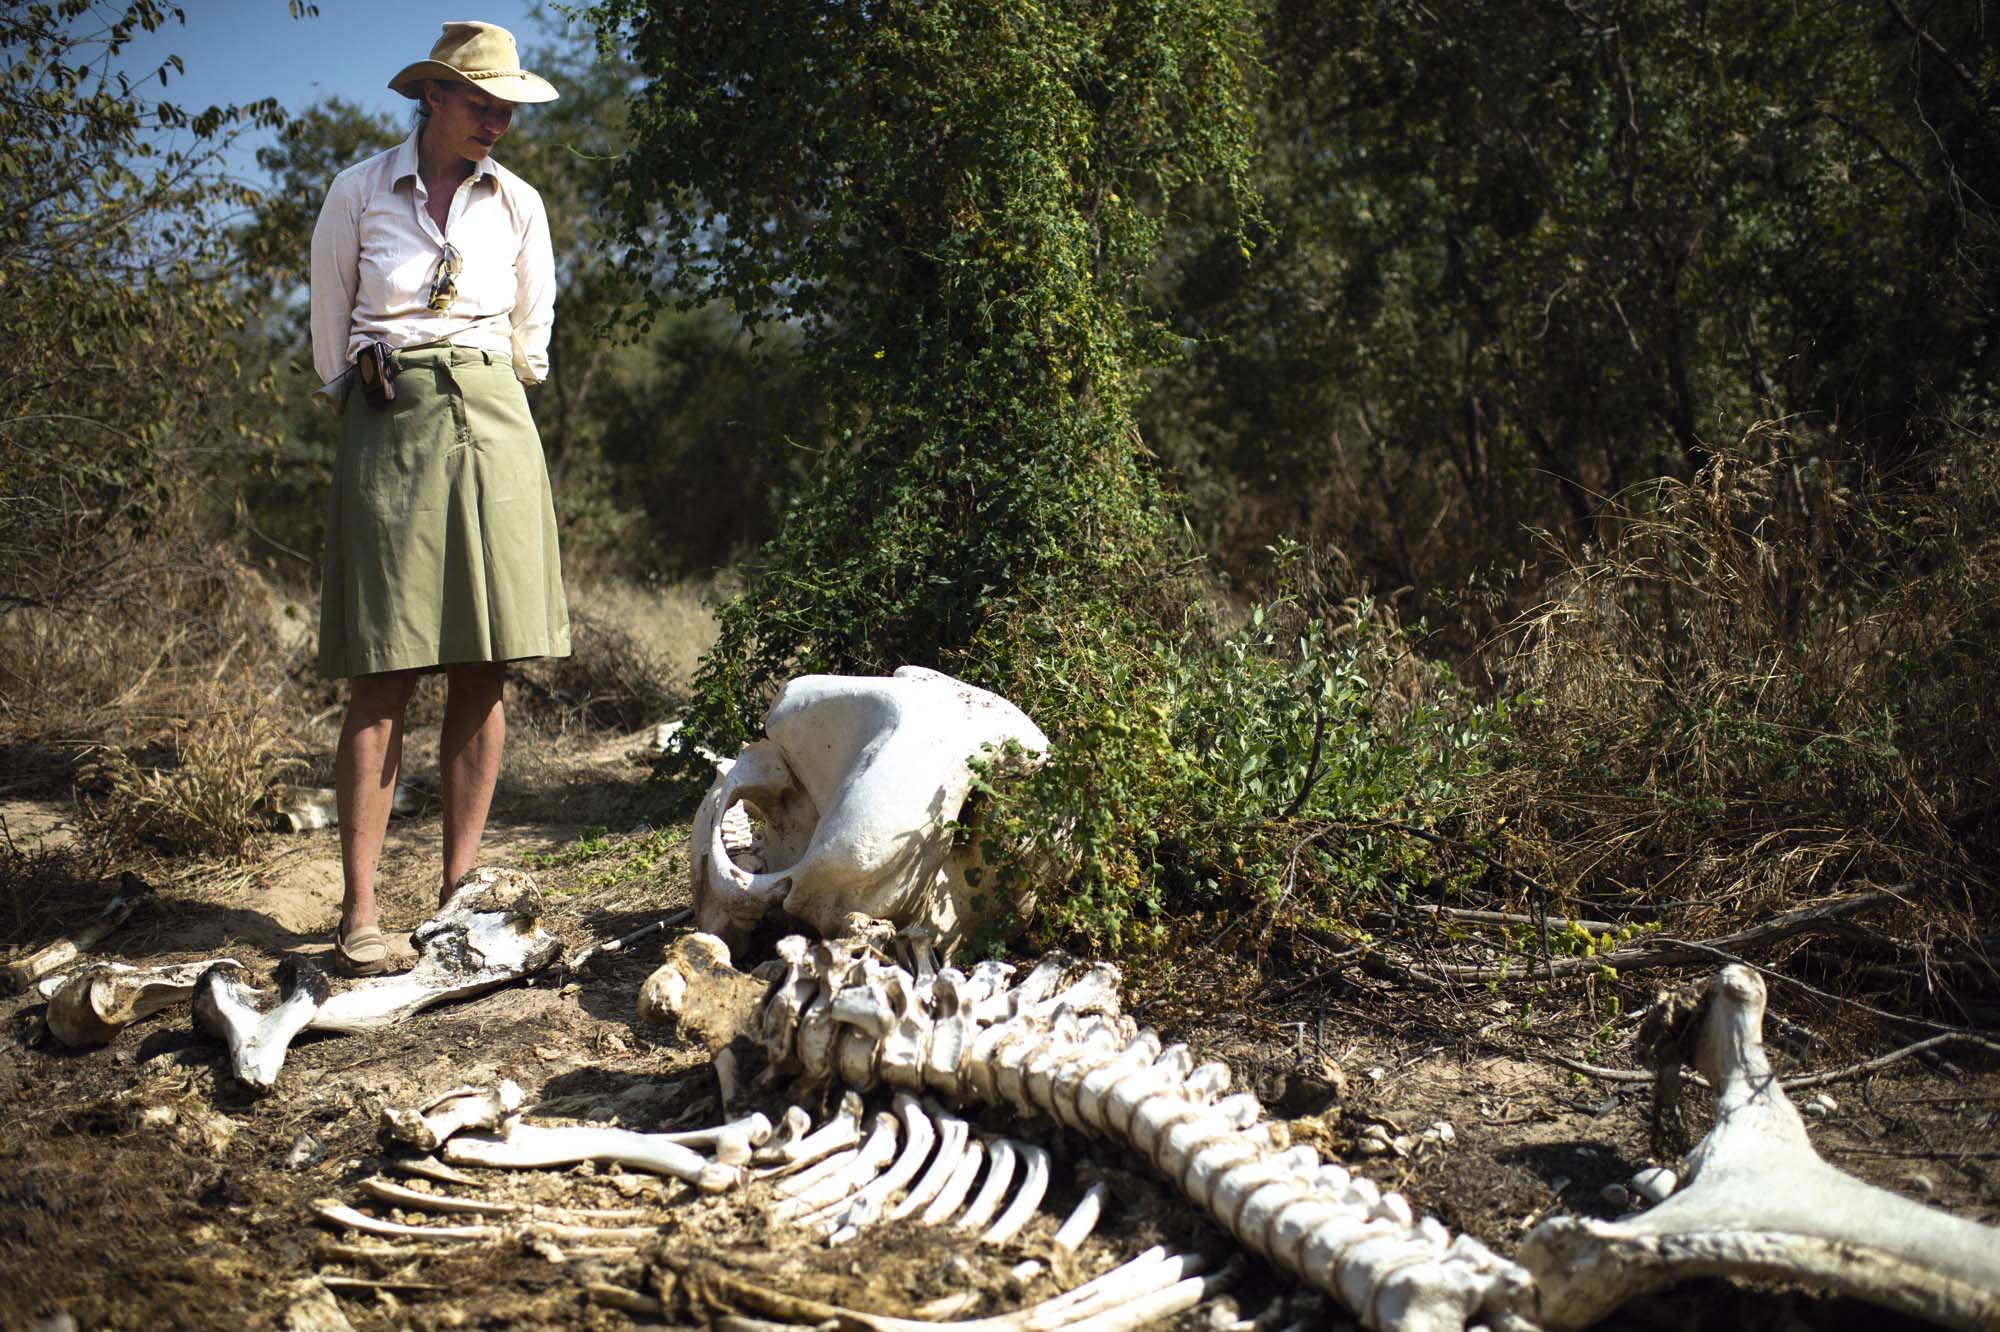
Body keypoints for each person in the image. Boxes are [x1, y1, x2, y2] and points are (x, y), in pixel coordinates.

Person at [308, 21, 567, 976]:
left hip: (495, 418)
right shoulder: (358, 192)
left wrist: (490, 385)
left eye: (507, 109)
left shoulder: (521, 205)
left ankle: (457, 896)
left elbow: (532, 336)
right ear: (434, 98)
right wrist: (392, 390)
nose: (496, 123)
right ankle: (361, 911)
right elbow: (330, 342)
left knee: (485, 661)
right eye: (481, 104)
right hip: (392, 416)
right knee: (383, 668)